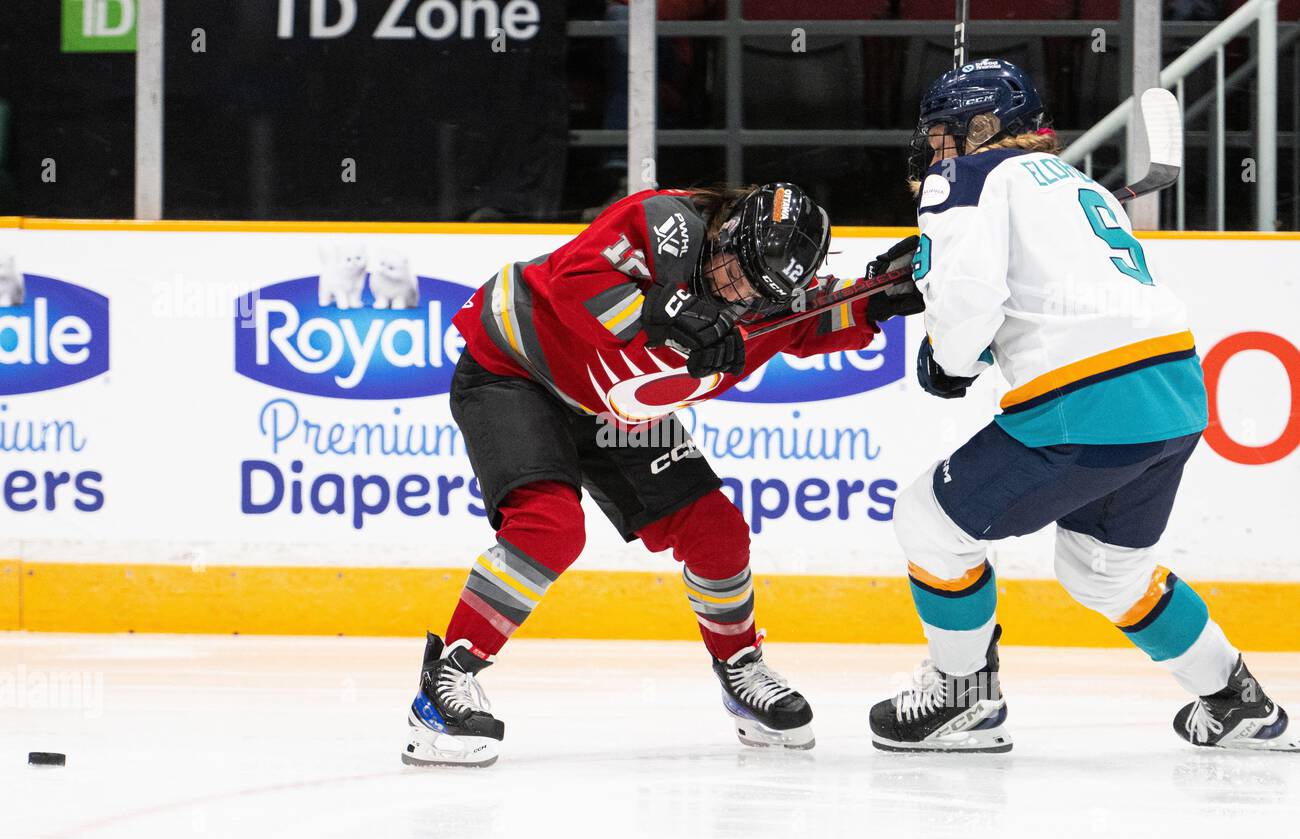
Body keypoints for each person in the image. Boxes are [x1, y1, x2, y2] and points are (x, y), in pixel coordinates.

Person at [403, 182, 923, 766]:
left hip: (610, 410)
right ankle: (445, 681)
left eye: (763, 292)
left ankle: (741, 666)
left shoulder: (765, 306)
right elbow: (575, 280)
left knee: (717, 533)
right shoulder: (664, 223)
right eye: (738, 272)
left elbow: (817, 319)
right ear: (725, 233)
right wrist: (667, 312)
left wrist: (883, 297)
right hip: (517, 369)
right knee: (548, 529)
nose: (743, 295)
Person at [871, 58, 1297, 754]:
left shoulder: (967, 178)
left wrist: (947, 361)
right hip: (1175, 392)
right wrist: (941, 293)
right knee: (1105, 569)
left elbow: (973, 295)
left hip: (1087, 399)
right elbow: (1043, 300)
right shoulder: (1072, 183)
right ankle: (1236, 701)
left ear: (983, 126)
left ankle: (963, 698)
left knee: (929, 522)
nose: (936, 147)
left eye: (946, 131)